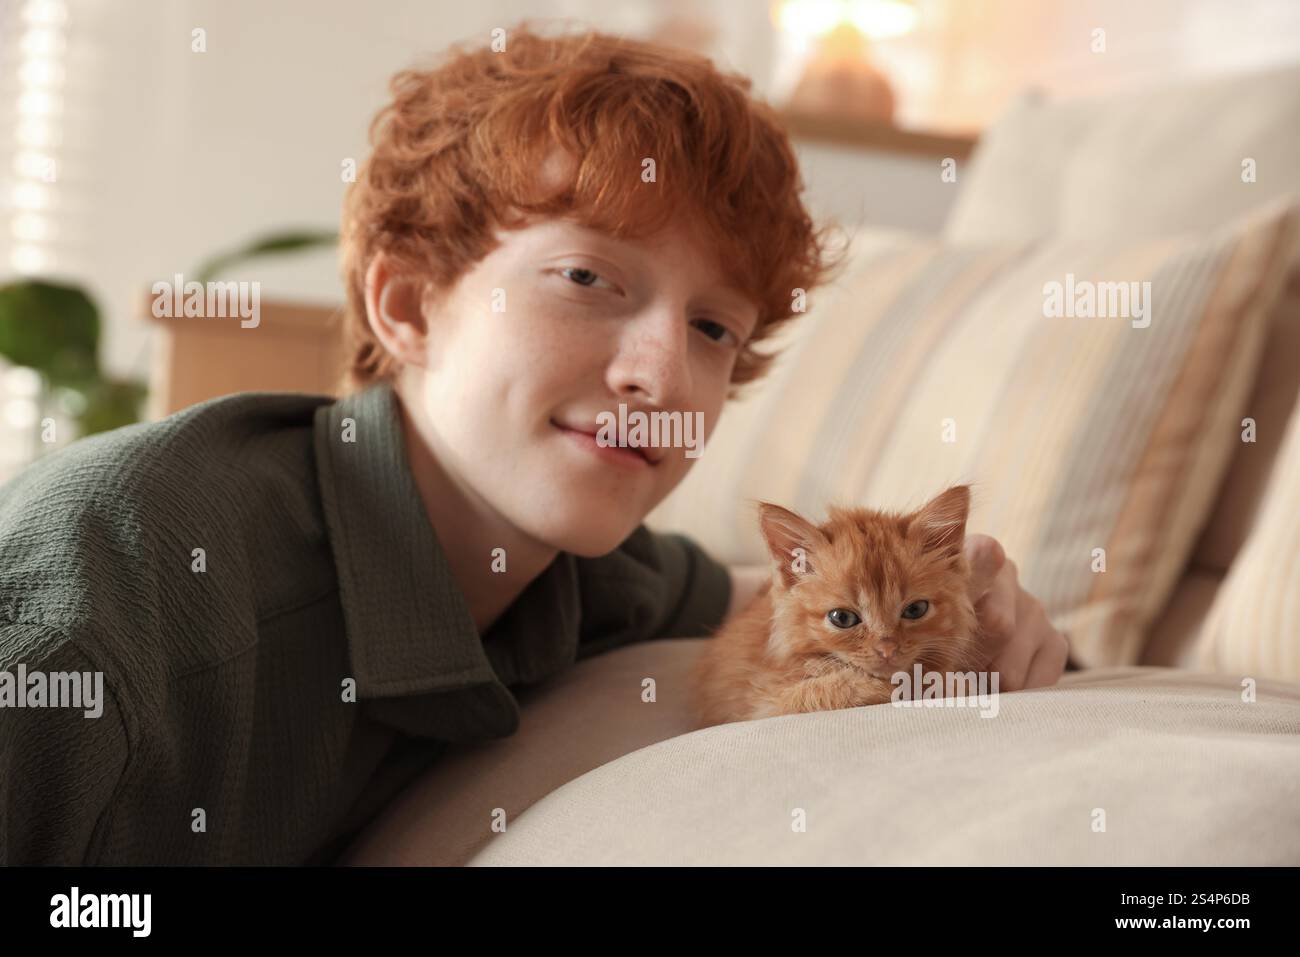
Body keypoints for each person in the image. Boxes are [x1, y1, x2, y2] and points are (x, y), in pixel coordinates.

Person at [0, 23, 1071, 865]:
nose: (659, 373)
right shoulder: (97, 632)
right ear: (410, 305)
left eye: (713, 328)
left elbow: (764, 596)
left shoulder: (581, 566)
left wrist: (989, 612)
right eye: (589, 279)